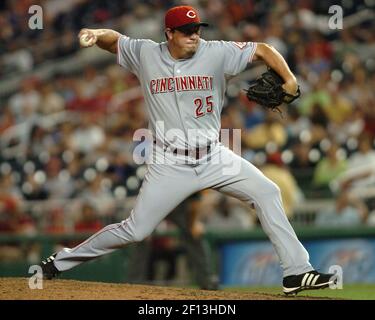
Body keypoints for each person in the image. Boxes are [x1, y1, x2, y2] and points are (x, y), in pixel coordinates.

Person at [40, 5, 335, 295]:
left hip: (214, 155)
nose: (194, 35)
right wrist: (94, 32)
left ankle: (297, 272)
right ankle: (60, 262)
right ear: (169, 33)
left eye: (196, 29)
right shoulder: (146, 54)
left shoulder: (216, 52)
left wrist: (289, 78)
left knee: (268, 192)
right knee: (135, 231)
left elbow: (262, 49)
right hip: (170, 163)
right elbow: (114, 40)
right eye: (186, 31)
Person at [127, 193, 218, 290]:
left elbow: (194, 201)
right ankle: (134, 281)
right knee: (141, 236)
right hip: (155, 202)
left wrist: (194, 223)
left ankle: (206, 281)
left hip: (179, 205)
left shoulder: (190, 178)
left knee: (195, 236)